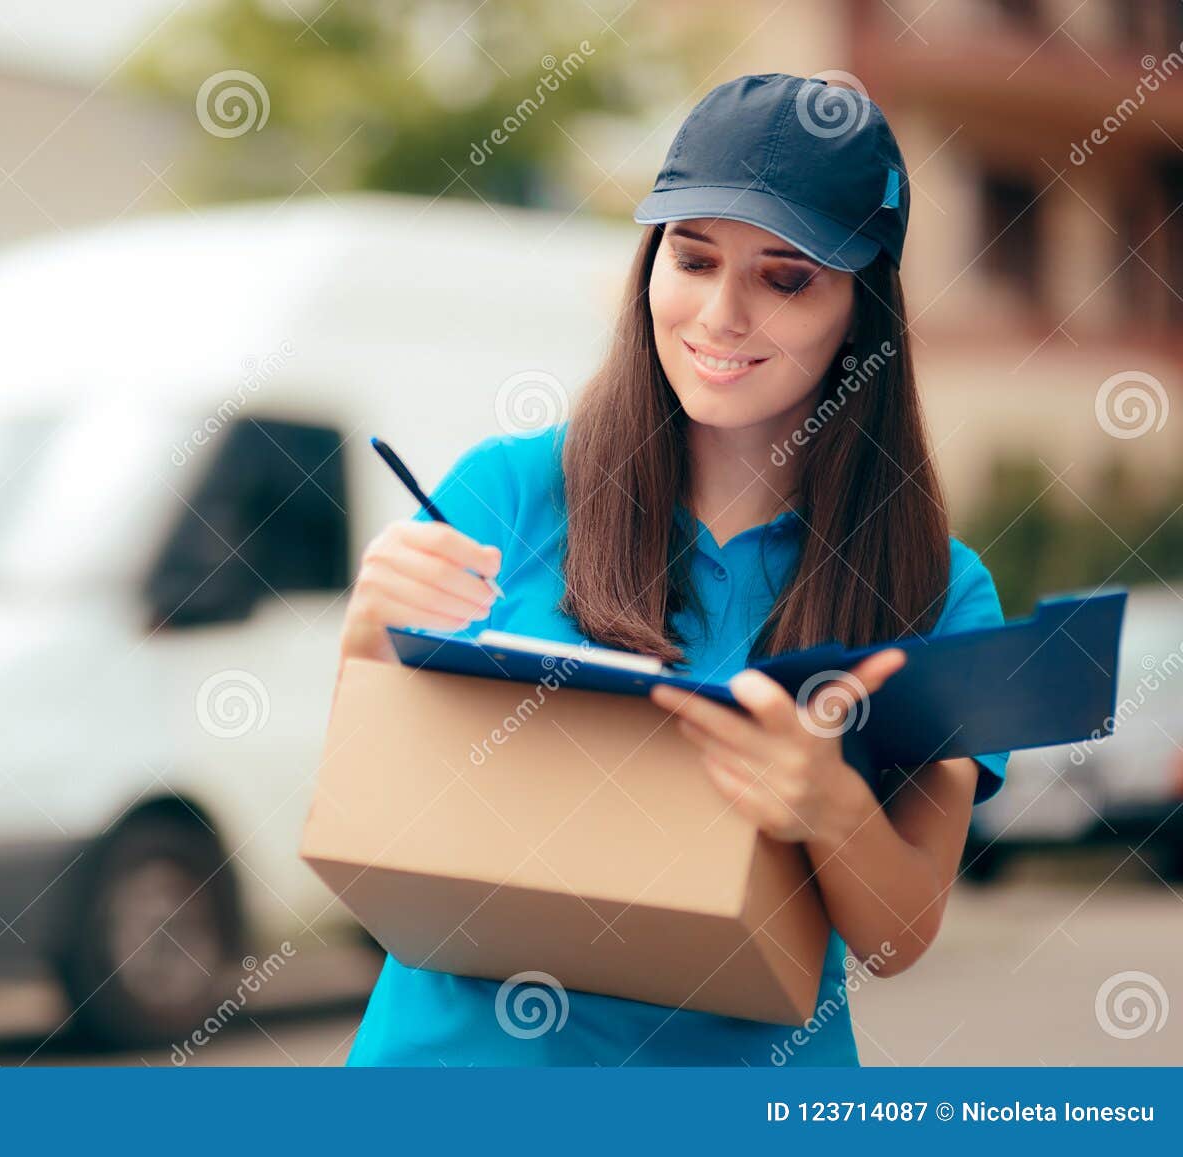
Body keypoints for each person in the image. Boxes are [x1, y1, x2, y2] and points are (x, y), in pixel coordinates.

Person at [336, 73, 1011, 1066]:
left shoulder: (935, 587)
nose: (722, 314)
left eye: (785, 278)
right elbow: (369, 819)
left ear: (860, 312)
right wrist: (366, 636)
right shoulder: (507, 492)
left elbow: (897, 936)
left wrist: (827, 805)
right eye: (692, 258)